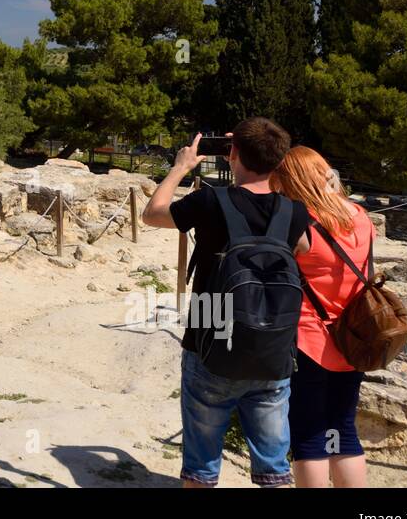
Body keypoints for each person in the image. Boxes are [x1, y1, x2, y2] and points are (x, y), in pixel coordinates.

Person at [143, 117, 310, 488]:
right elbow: (303, 248)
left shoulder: (210, 201)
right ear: (279, 161)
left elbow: (152, 214)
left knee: (201, 465)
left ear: (232, 153)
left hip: (209, 340)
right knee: (273, 466)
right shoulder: (294, 211)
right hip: (273, 348)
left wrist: (180, 168)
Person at [269, 145, 373, 488]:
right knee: (341, 429)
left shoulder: (299, 225)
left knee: (310, 435)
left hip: (309, 340)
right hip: (352, 339)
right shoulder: (361, 216)